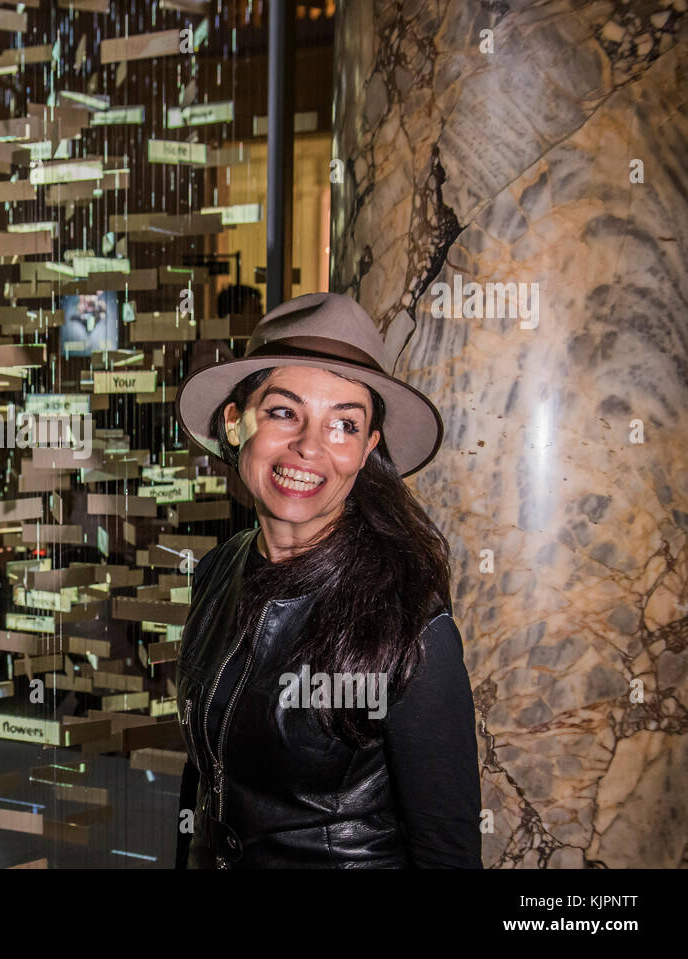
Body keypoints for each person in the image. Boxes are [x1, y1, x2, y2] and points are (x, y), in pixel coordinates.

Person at [171, 291, 482, 869]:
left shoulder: (410, 621)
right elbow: (210, 777)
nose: (310, 447)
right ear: (236, 424)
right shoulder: (219, 571)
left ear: (368, 450)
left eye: (344, 424)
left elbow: (448, 851)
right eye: (284, 412)